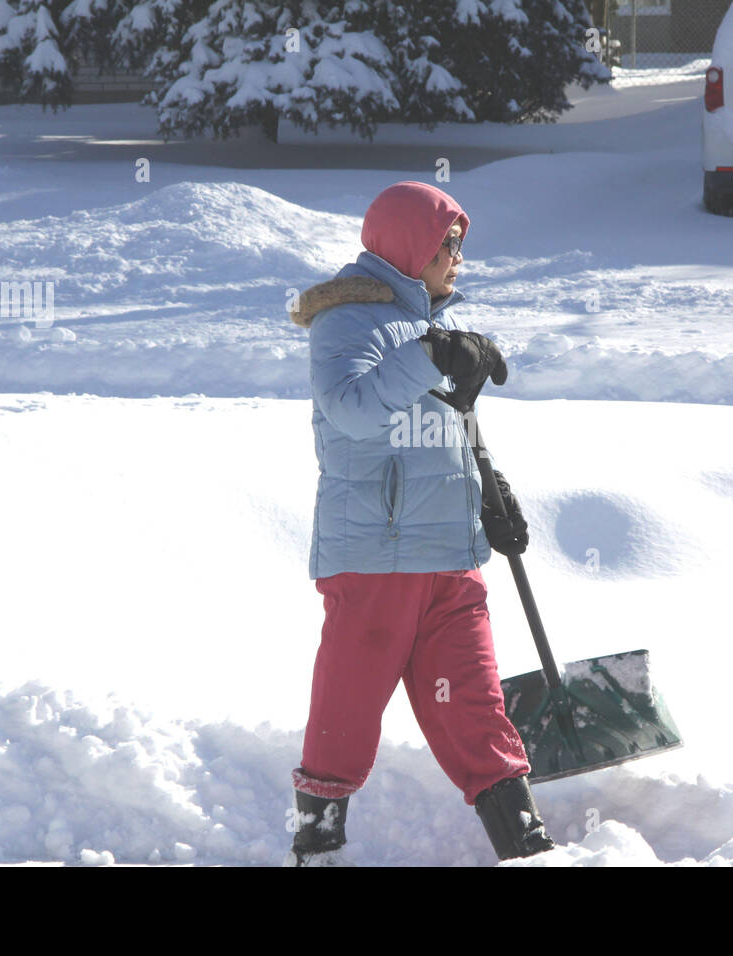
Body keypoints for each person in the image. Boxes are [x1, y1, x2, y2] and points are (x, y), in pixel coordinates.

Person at [284, 180, 555, 866]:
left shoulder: (427, 324)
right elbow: (351, 410)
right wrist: (430, 357)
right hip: (377, 557)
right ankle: (317, 849)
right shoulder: (344, 320)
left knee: (475, 703)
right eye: (448, 243)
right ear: (411, 243)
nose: (459, 257)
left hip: (447, 556)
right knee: (348, 705)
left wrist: (491, 491)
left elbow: (447, 429)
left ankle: (529, 848)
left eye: (461, 243)